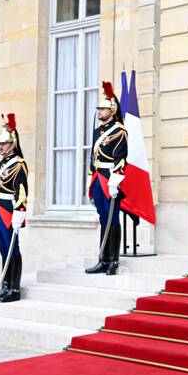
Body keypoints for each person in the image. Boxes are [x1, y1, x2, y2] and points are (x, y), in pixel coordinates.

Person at [86, 81, 127, 276]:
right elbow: (93, 157)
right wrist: (90, 177)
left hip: (110, 179)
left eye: (102, 109)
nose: (99, 112)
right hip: (97, 178)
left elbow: (121, 158)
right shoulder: (97, 131)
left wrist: (115, 181)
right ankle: (103, 259)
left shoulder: (119, 131)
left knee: (113, 220)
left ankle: (113, 260)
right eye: (99, 109)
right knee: (103, 219)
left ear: (112, 111)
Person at [0, 113, 28, 303]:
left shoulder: (18, 164)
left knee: (13, 249)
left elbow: (22, 191)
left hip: (9, 212)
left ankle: (14, 288)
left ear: (13, 144)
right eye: (0, 143)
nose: (1, 147)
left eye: (4, 144)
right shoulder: (1, 163)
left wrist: (19, 213)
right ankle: (5, 285)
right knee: (4, 249)